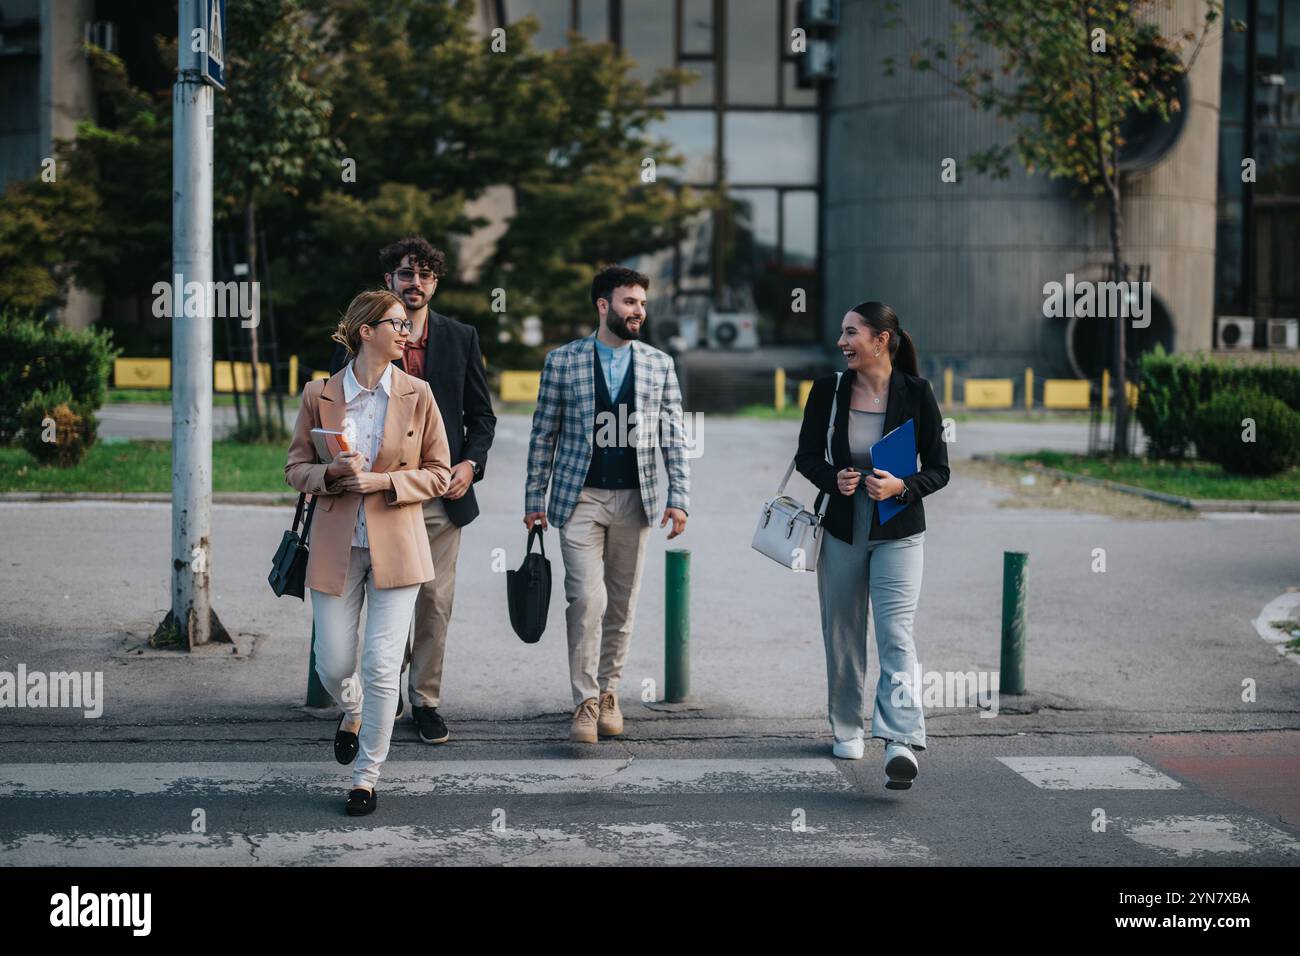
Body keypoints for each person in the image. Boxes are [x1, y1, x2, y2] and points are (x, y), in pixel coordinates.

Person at [287, 289, 451, 815]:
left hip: (397, 546)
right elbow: (293, 469)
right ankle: (351, 710)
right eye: (397, 324)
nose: (406, 332)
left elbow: (440, 473)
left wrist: (382, 481)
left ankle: (366, 776)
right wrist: (330, 474)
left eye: (407, 324)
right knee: (333, 663)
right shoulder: (319, 393)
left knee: (383, 665)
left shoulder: (418, 394)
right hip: (337, 546)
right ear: (366, 331)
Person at [327, 236, 497, 746]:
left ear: (436, 283)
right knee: (376, 603)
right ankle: (377, 693)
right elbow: (332, 408)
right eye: (406, 274)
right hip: (375, 498)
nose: (415, 283)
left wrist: (470, 463)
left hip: (440, 494)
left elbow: (482, 416)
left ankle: (425, 700)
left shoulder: (461, 337)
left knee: (434, 602)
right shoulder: (363, 337)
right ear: (390, 282)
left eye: (425, 275)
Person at [524, 266, 691, 742]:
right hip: (580, 499)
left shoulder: (659, 364)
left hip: (637, 500)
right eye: (629, 302)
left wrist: (678, 498)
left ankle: (610, 691)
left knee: (621, 602)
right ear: (603, 305)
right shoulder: (563, 361)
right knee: (586, 600)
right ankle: (584, 700)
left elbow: (673, 437)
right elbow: (544, 434)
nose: (638, 311)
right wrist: (535, 497)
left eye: (641, 303)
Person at [794, 301, 949, 790]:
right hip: (843, 525)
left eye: (851, 332)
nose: (842, 342)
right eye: (842, 333)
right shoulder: (829, 390)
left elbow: (939, 469)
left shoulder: (917, 393)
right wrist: (833, 478)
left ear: (881, 340)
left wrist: (901, 486)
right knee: (842, 631)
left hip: (899, 528)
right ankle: (846, 726)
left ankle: (901, 739)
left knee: (896, 633)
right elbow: (804, 457)